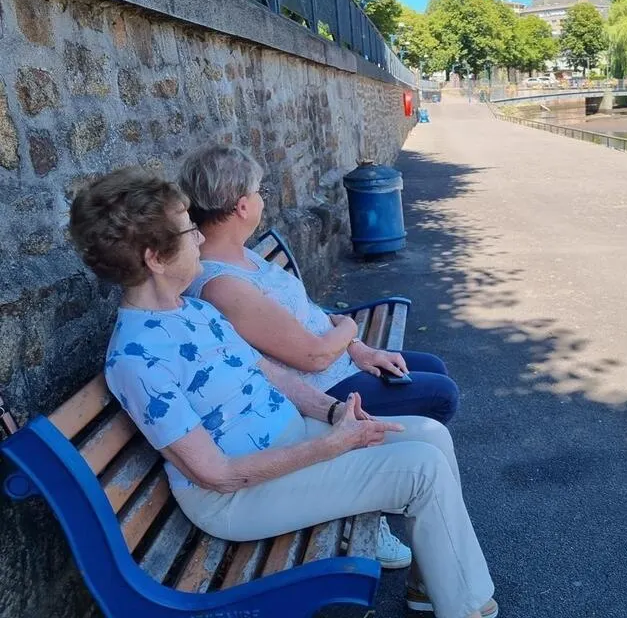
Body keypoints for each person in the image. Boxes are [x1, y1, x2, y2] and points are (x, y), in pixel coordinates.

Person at [68, 168, 497, 618]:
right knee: (420, 468)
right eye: (188, 229)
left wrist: (334, 412)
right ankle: (466, 607)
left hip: (290, 438)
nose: (199, 239)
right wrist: (329, 447)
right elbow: (215, 475)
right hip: (236, 498)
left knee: (430, 435)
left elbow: (269, 372)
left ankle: (433, 586)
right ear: (155, 257)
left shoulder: (193, 310)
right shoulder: (136, 358)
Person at [177, 145, 461, 567]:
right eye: (260, 190)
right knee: (440, 394)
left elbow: (309, 314)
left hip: (338, 363)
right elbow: (312, 357)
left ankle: (396, 483)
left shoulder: (243, 252)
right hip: (319, 389)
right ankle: (379, 496)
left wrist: (360, 348)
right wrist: (349, 331)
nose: (263, 198)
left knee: (431, 370)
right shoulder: (222, 284)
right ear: (240, 205)